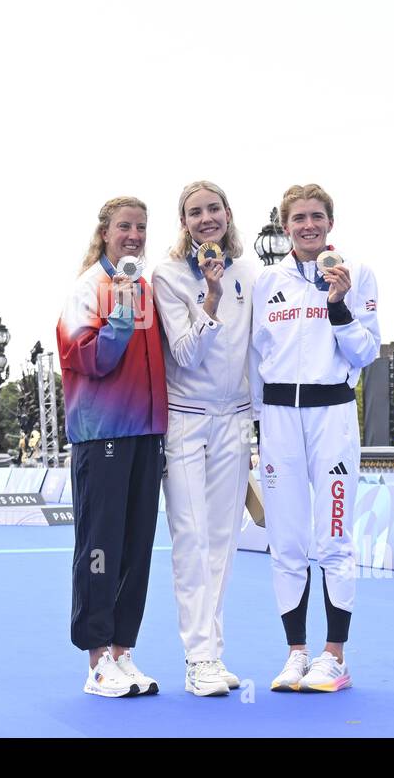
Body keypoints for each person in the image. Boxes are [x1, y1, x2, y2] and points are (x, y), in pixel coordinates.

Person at [250, 183, 380, 693]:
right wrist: (254, 423)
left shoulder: (357, 274)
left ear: (330, 222)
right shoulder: (265, 283)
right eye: (299, 218)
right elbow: (255, 358)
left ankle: (335, 656)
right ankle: (295, 653)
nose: (309, 225)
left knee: (334, 537)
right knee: (285, 540)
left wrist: (339, 304)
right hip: (280, 416)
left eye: (317, 217)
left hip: (332, 414)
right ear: (286, 226)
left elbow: (366, 353)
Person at [57, 196, 168, 698]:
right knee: (100, 548)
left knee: (136, 549)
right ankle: (97, 659)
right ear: (104, 233)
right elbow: (88, 359)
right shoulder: (89, 288)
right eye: (125, 226)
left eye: (142, 227)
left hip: (145, 434)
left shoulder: (142, 287)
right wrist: (120, 318)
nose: (135, 235)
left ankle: (123, 652)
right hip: (102, 435)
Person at [150, 181, 257, 697]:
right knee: (191, 540)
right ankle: (199, 659)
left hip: (235, 420)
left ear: (228, 214)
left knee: (222, 541)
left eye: (213, 209)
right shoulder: (167, 277)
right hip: (187, 420)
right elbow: (187, 355)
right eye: (195, 213)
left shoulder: (251, 274)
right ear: (184, 223)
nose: (206, 218)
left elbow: (256, 356)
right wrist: (210, 297)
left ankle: (211, 650)